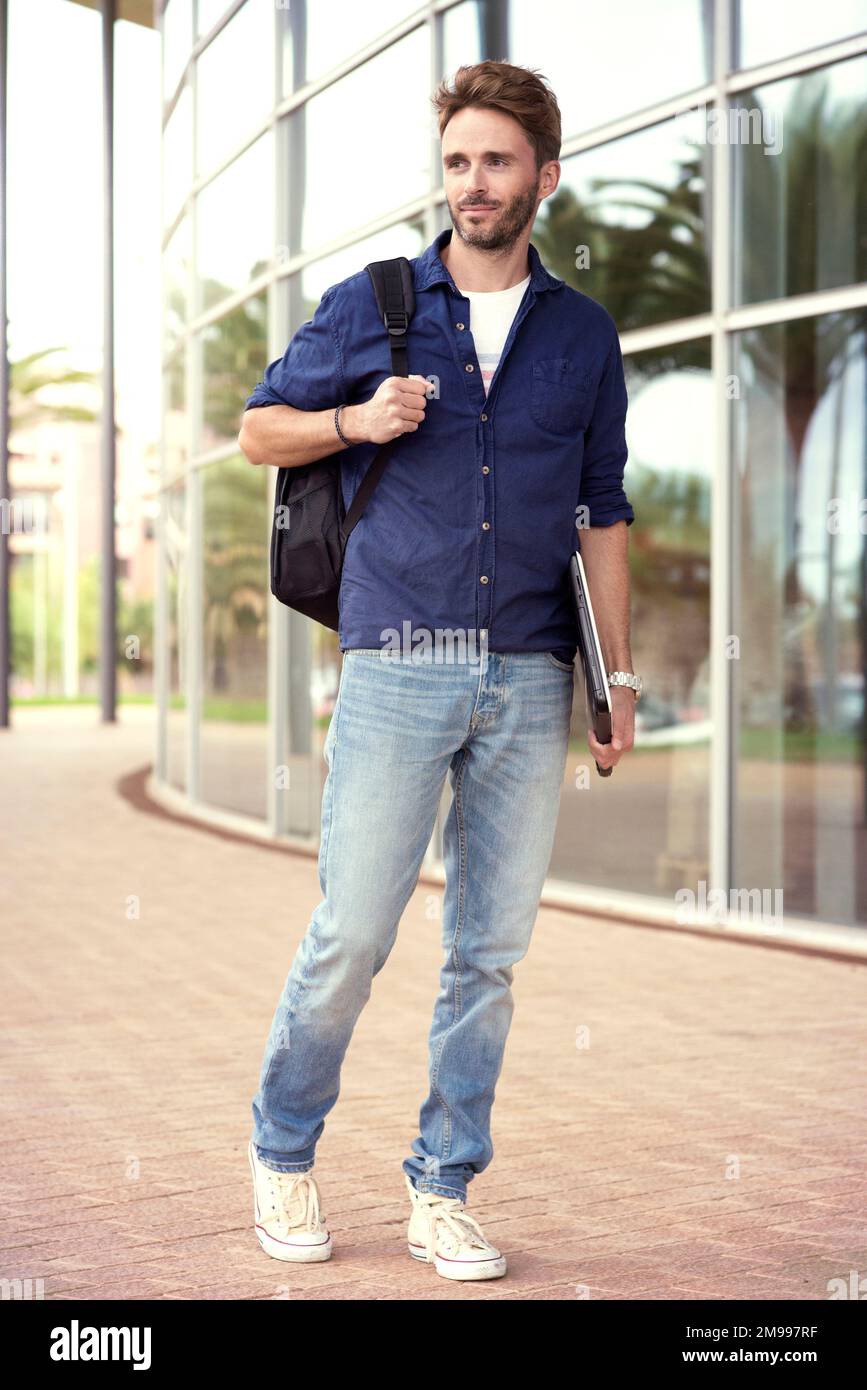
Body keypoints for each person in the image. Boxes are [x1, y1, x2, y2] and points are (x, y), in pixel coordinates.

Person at [238, 59, 640, 1283]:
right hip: (399, 660)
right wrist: (357, 419)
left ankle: (443, 1187)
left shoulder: (582, 334)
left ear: (544, 178)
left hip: (527, 673)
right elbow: (259, 428)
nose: (474, 182)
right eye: (459, 161)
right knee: (355, 928)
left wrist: (614, 683)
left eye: (498, 162)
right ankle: (283, 1149)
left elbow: (603, 512)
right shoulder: (374, 304)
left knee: (489, 953)